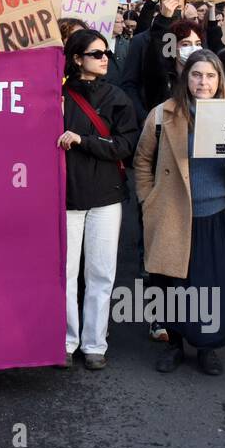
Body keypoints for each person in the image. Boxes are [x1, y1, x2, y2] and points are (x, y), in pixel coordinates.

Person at [135, 50, 225, 375]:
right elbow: (142, 161)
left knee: (212, 287)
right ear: (185, 77)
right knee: (172, 283)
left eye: (209, 76)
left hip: (217, 216)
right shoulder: (162, 115)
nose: (202, 82)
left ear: (219, 80)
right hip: (173, 216)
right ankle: (175, 344)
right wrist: (148, 200)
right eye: (196, 75)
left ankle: (207, 347)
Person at [58, 29, 137, 370]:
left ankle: (94, 344)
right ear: (77, 59)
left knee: (101, 273)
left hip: (106, 197)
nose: (105, 58)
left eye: (106, 53)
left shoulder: (117, 97)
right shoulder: (56, 97)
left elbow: (125, 146)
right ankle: (64, 341)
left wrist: (84, 141)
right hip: (67, 196)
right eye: (96, 53)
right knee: (65, 272)